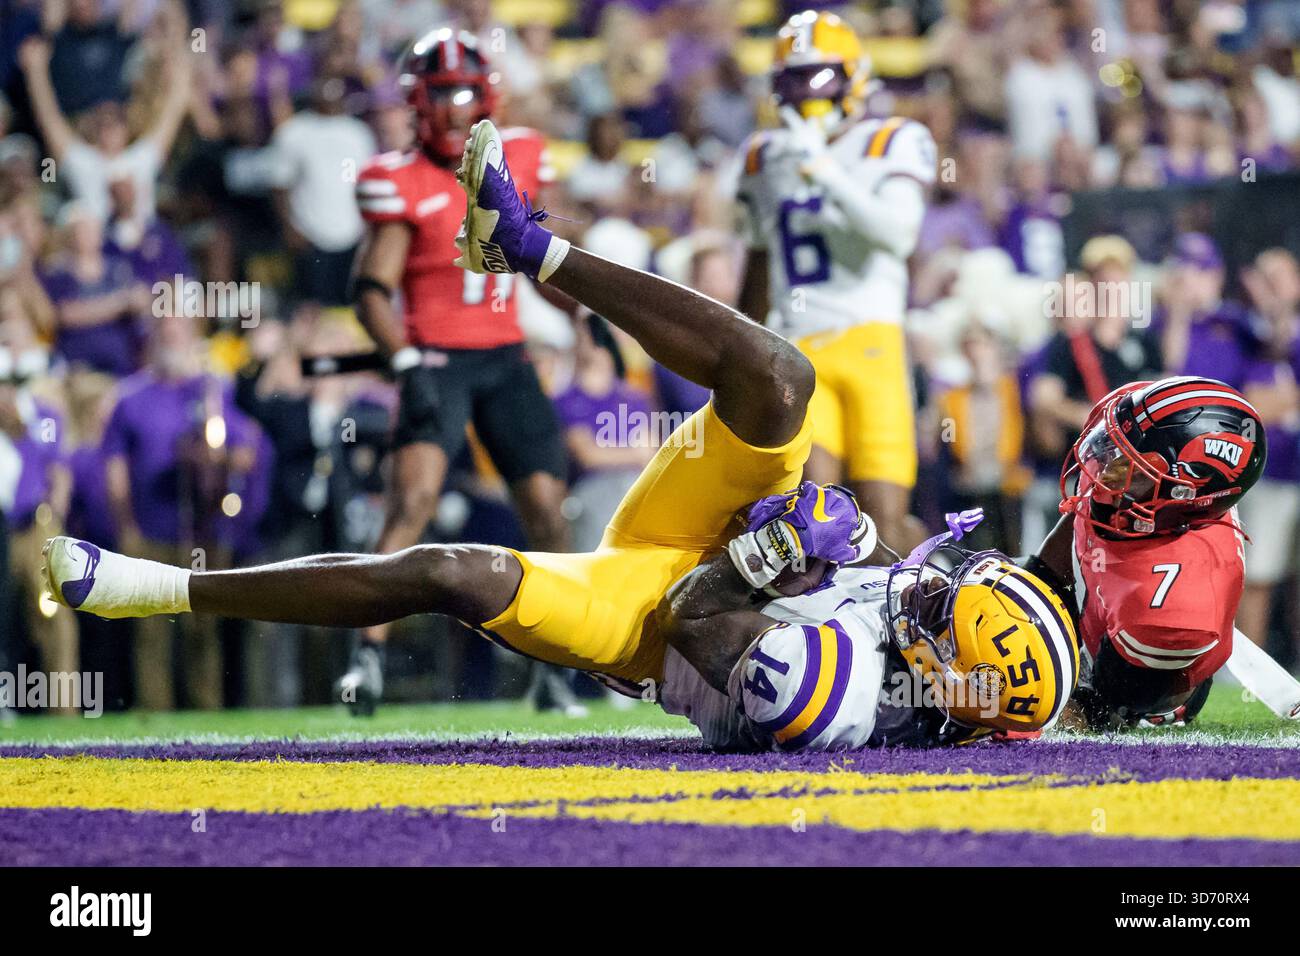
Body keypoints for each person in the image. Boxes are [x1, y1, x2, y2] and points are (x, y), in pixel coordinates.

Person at [43, 119, 1078, 749]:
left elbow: (692, 615)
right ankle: (524, 243)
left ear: (945, 670)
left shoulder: (837, 703)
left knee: (452, 571)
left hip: (658, 613)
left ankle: (158, 586)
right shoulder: (974, 658)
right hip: (738, 538)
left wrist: (777, 548)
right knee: (780, 374)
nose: (932, 583)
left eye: (944, 605)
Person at [338, 29, 569, 714]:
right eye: (440, 95)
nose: (454, 107)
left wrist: (589, 321)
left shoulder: (522, 157)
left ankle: (556, 663)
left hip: (507, 357)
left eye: (465, 93)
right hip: (437, 360)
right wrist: (405, 359)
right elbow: (371, 288)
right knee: (410, 504)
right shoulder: (397, 179)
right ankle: (367, 658)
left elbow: (548, 261)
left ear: (487, 96)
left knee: (549, 513)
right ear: (416, 100)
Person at [736, 10, 935, 560]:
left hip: (872, 342)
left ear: (856, 77)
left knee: (885, 522)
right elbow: (757, 265)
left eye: (819, 77)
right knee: (813, 519)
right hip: (799, 347)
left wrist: (822, 169)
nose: (806, 94)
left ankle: (935, 597)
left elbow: (897, 236)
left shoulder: (892, 139)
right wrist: (737, 352)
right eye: (792, 79)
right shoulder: (763, 158)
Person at [1030, 377, 1266, 729]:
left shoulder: (1177, 608)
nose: (1107, 468)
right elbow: (1048, 570)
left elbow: (1105, 707)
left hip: (1145, 687)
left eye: (1133, 466)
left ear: (1186, 495)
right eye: (1116, 450)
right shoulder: (1126, 491)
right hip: (1108, 619)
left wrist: (1058, 695)